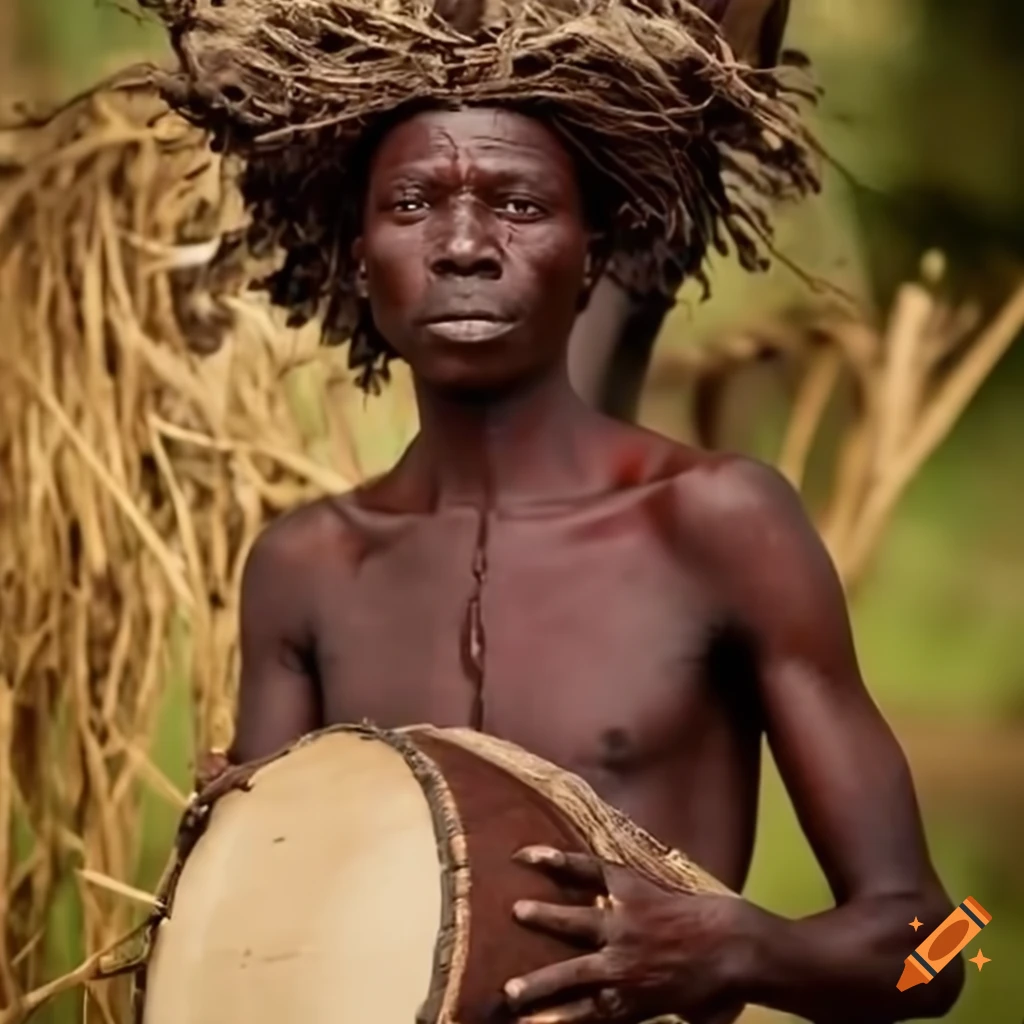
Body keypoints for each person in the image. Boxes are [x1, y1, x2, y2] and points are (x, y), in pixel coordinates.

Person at [148, 1, 963, 1021]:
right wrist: (224, 857)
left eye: (518, 205)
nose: (462, 246)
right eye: (411, 205)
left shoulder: (716, 522)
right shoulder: (303, 564)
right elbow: (266, 950)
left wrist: (740, 948)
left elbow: (941, 946)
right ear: (361, 257)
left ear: (594, 248)